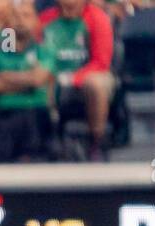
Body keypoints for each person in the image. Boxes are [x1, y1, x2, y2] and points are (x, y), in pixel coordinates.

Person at [0, 0, 53, 162]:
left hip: (35, 115)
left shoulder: (44, 49)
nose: (20, 21)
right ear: (7, 22)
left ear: (37, 20)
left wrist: (4, 76)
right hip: (1, 115)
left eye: (26, 16)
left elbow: (38, 79)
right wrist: (26, 81)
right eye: (15, 16)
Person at [40, 0, 115, 159]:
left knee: (96, 84)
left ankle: (97, 142)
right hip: (53, 76)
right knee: (41, 81)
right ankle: (48, 140)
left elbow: (101, 62)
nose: (69, 6)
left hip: (92, 75)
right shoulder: (45, 20)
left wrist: (73, 78)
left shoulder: (98, 18)